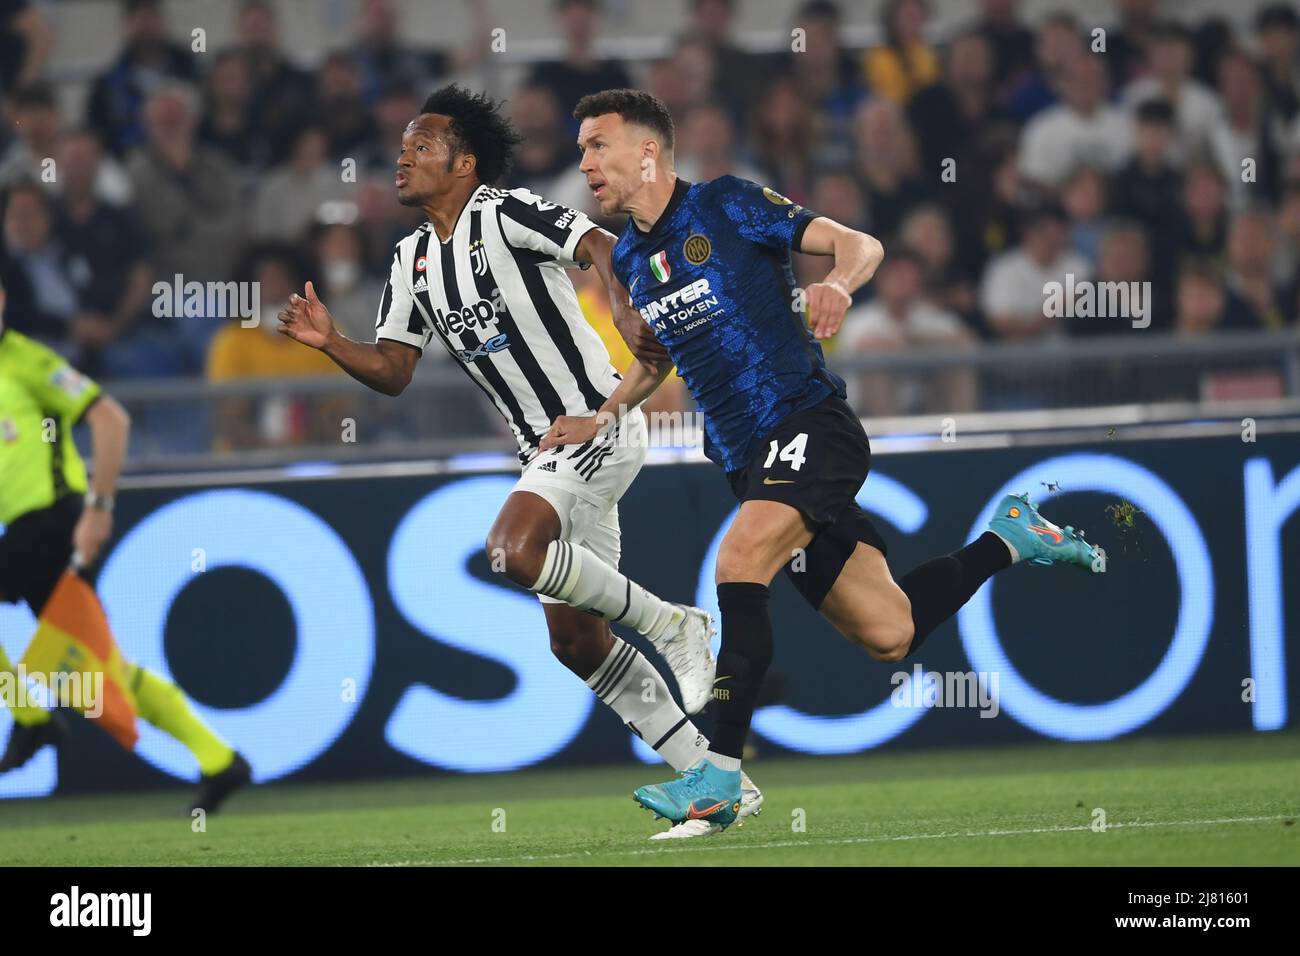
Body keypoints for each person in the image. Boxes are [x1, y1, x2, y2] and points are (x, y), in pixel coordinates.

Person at [549, 89, 1105, 829]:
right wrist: (604, 414)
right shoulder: (631, 257)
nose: (585, 162)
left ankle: (715, 776)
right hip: (749, 462)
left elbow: (861, 244)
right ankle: (1013, 538)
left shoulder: (726, 203)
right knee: (891, 632)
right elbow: (656, 362)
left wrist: (837, 286)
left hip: (809, 423)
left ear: (646, 151)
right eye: (581, 148)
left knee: (739, 562)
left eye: (597, 145)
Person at [276, 86, 761, 838]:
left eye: (422, 146)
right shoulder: (409, 262)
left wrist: (628, 308)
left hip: (593, 423)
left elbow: (597, 244)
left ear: (465, 163)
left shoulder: (504, 212)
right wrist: (333, 342)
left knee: (511, 549)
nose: (403, 157)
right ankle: (718, 780)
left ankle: (675, 625)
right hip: (542, 451)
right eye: (401, 147)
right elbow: (396, 370)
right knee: (576, 642)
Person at [0, 279, 250, 813]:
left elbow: (110, 417)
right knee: (95, 670)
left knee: (84, 672)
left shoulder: (26, 360)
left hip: (55, 522)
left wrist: (100, 507)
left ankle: (30, 719)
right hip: (26, 531)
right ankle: (220, 760)